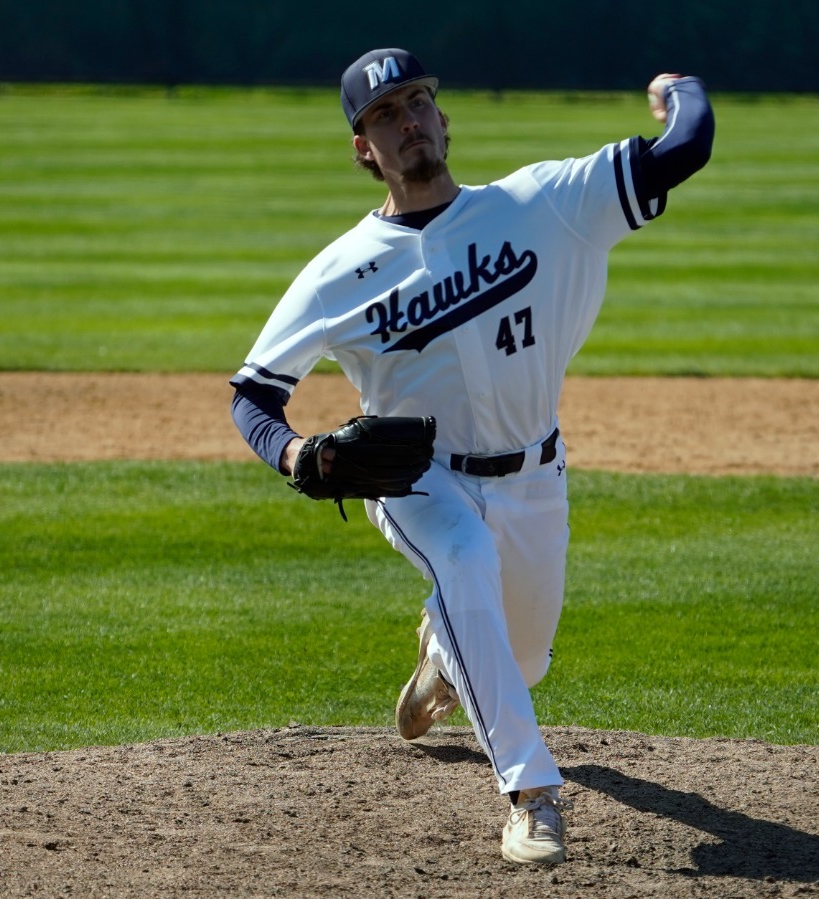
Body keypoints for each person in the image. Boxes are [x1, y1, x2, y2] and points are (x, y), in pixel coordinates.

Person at [228, 48, 714, 864]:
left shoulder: (541, 204)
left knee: (522, 660)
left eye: (417, 102)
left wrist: (680, 90)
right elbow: (253, 395)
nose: (408, 121)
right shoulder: (337, 274)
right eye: (386, 115)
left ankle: (444, 662)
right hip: (416, 478)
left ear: (442, 117)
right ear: (364, 148)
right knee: (462, 553)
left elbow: (686, 147)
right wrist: (293, 453)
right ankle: (531, 794)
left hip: (537, 476)